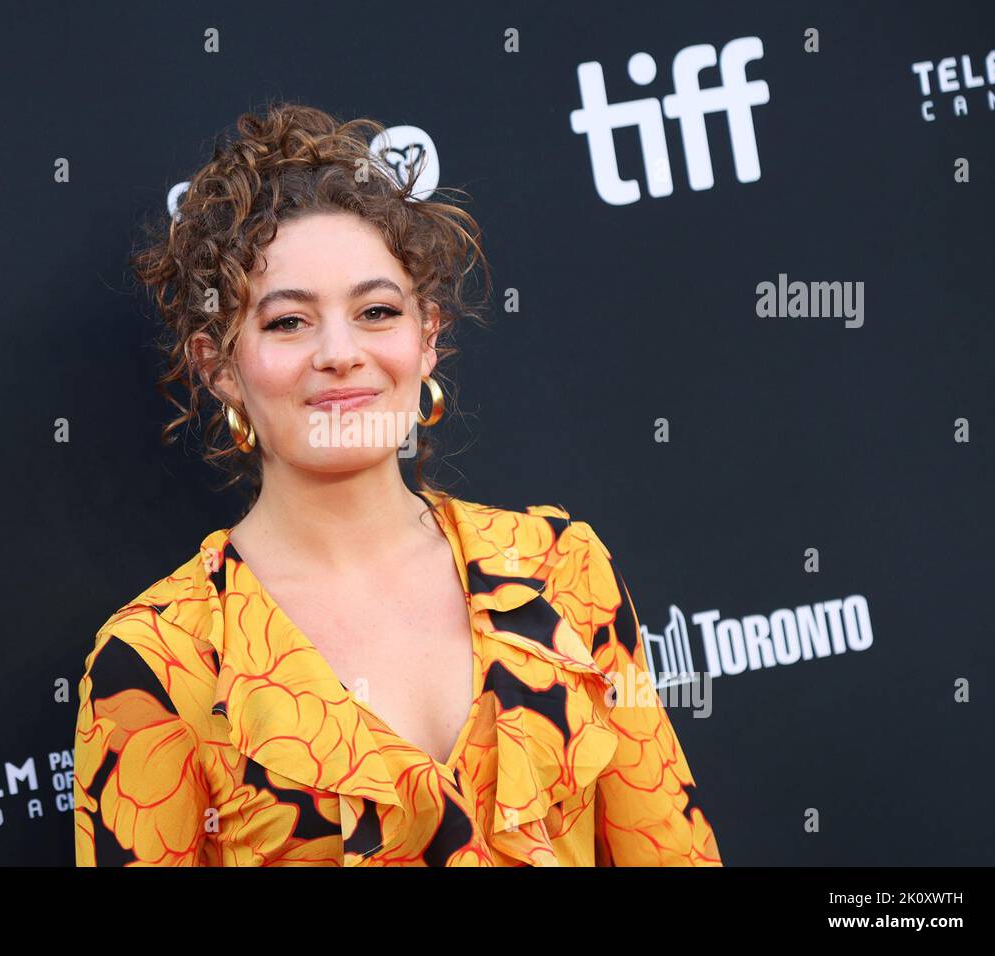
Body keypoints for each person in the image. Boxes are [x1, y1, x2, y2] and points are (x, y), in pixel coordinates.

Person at [73, 101, 722, 867]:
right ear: (219, 366)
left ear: (428, 339)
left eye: (377, 311)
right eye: (288, 322)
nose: (341, 353)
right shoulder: (157, 662)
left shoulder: (560, 569)